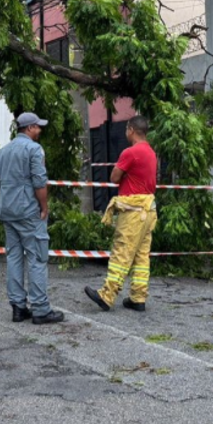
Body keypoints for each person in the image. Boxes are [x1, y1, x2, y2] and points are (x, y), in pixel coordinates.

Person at [0, 112, 65, 325]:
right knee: (37, 257)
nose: (40, 130)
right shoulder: (34, 149)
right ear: (29, 128)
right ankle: (41, 310)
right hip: (27, 210)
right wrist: (44, 207)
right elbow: (39, 182)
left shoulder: (3, 151)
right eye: (37, 127)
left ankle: (18, 307)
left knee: (14, 257)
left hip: (7, 210)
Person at [85, 115, 159, 313]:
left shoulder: (130, 152)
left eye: (127, 129)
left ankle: (107, 296)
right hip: (149, 210)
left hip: (133, 211)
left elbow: (114, 177)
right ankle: (138, 297)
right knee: (142, 256)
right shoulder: (151, 153)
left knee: (122, 253)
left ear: (131, 130)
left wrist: (125, 175)